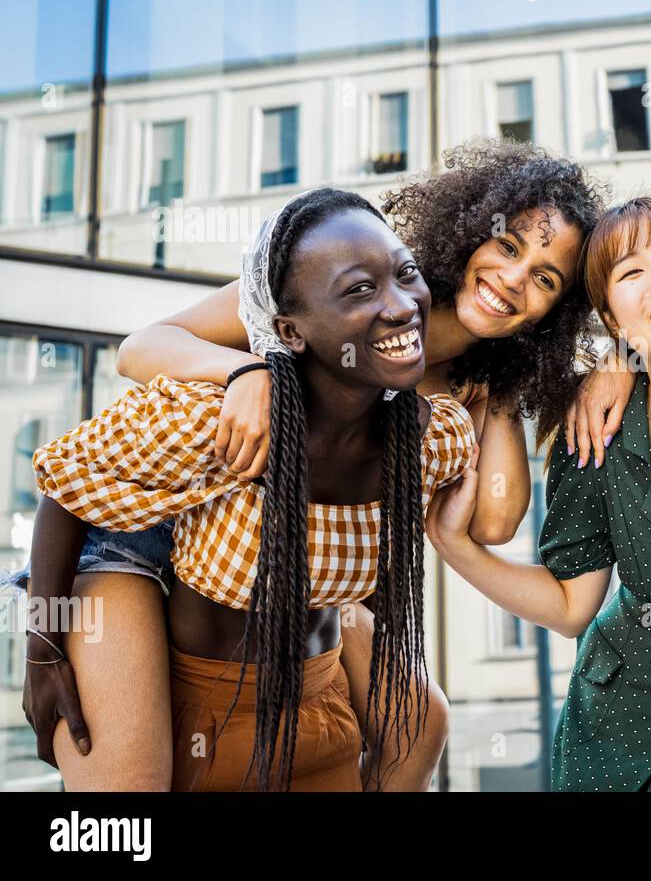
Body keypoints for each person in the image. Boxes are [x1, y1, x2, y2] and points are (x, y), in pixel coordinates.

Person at [12, 141, 608, 790]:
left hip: (284, 554)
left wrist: (565, 373)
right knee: (132, 773)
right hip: (142, 535)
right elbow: (140, 348)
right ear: (469, 226)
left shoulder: (462, 393)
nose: (518, 278)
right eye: (511, 245)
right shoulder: (339, 278)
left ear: (556, 311)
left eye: (547, 279)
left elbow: (493, 519)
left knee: (422, 721)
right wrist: (248, 371)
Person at [427, 197, 651, 790]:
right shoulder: (591, 429)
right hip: (621, 734)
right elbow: (572, 609)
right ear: (612, 318)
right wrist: (456, 546)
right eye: (631, 273)